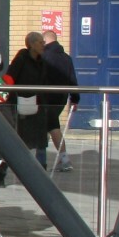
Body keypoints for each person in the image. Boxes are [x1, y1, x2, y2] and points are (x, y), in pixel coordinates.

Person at [5, 33, 54, 167]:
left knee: (41, 138)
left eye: (44, 42)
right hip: (22, 104)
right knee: (23, 137)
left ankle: (41, 166)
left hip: (39, 104)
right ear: (31, 44)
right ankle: (22, 165)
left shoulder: (42, 62)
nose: (43, 45)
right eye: (40, 42)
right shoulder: (21, 58)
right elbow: (10, 77)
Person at [39, 29, 81, 172]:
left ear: (44, 41)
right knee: (49, 126)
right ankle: (60, 159)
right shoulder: (66, 58)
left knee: (51, 126)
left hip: (45, 97)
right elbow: (72, 79)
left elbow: (40, 77)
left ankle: (56, 160)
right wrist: (75, 99)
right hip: (61, 98)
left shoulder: (44, 56)